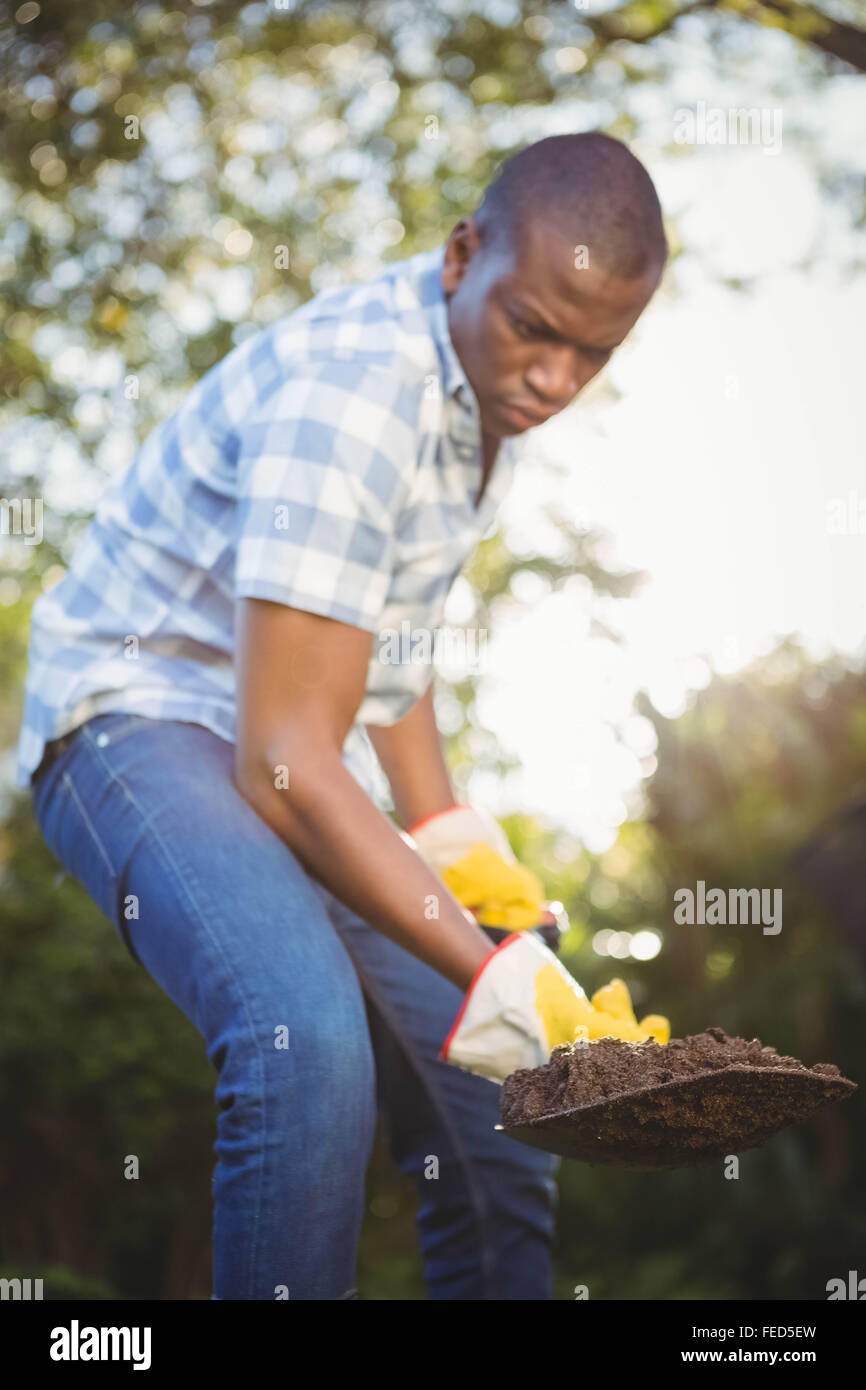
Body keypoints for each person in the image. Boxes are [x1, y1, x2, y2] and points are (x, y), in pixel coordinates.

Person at [18, 132, 670, 1300]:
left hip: (273, 735)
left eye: (594, 352)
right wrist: (490, 970)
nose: (555, 381)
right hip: (133, 721)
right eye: (535, 328)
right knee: (301, 1042)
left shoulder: (477, 402)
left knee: (492, 1092)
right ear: (461, 252)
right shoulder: (359, 390)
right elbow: (281, 765)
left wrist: (452, 837)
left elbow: (385, 653)